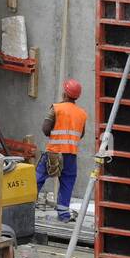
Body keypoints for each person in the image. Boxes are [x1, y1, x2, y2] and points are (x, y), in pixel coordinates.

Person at [35, 78, 88, 223]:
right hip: (71, 154)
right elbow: (81, 134)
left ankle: (27, 207)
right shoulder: (82, 114)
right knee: (67, 183)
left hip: (54, 152)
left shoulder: (56, 108)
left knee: (38, 178)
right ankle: (63, 214)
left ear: (65, 93)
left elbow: (45, 129)